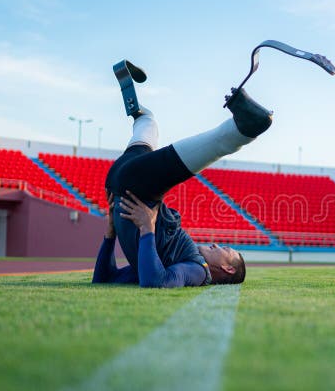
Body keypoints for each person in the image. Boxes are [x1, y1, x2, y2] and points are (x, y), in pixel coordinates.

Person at [92, 84, 272, 288]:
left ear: (227, 269)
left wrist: (123, 232)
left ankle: (247, 129)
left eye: (225, 249)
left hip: (135, 188)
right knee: (147, 120)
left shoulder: (199, 270)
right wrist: (119, 231)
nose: (216, 244)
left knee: (211, 143)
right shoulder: (171, 256)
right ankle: (141, 115)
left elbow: (150, 281)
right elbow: (108, 279)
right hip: (124, 181)